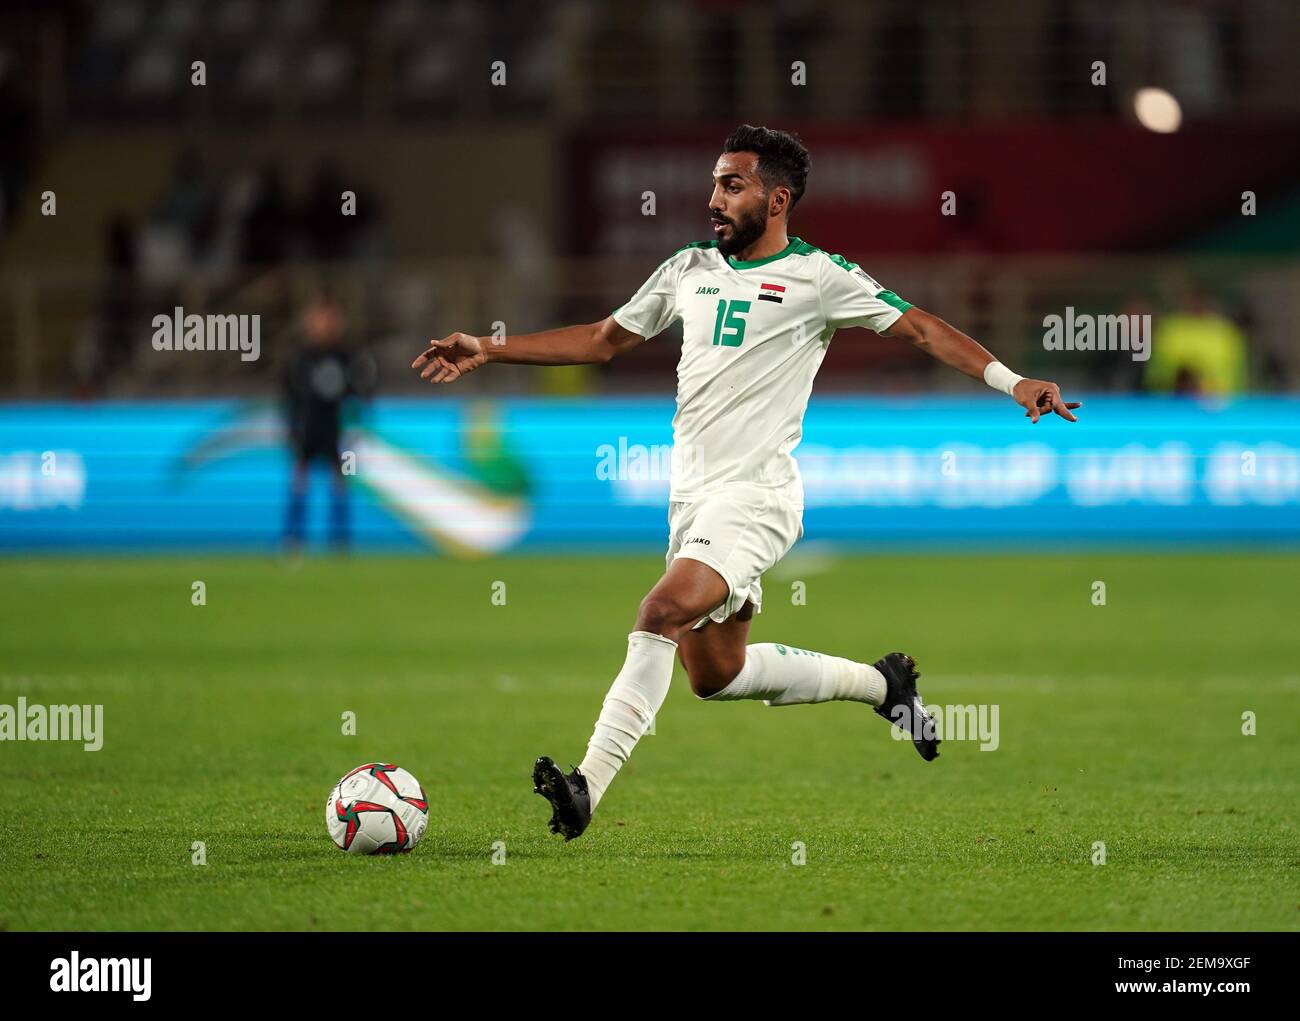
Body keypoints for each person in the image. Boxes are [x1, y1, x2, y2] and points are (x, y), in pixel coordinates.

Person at [411, 125, 1081, 840]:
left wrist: (1012, 381)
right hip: (693, 499)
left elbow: (918, 328)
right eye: (714, 184)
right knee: (716, 675)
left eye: (732, 185)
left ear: (777, 198)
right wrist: (487, 346)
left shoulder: (819, 276)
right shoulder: (686, 268)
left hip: (757, 495)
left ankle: (586, 785)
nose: (714, 199)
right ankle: (885, 685)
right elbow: (605, 338)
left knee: (659, 612)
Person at [283, 294, 372, 552]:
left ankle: (340, 541)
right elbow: (289, 397)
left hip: (337, 429)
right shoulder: (300, 357)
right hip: (308, 428)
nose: (326, 324)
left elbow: (362, 391)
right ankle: (293, 540)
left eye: (331, 319)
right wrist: (292, 430)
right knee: (300, 480)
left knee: (340, 481)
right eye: (321, 319)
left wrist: (357, 423)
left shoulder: (348, 355)